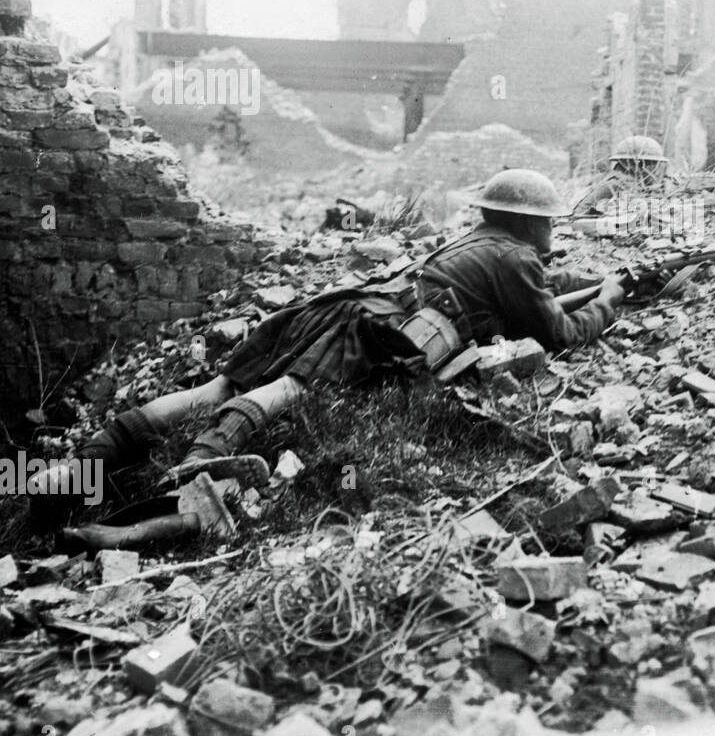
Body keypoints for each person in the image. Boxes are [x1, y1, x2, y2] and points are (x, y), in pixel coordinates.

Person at [30, 169, 626, 516]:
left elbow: (544, 287)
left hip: (346, 307)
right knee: (290, 389)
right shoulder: (516, 257)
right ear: (528, 224)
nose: (553, 230)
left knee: (219, 386)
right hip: (381, 330)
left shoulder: (480, 245)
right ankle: (197, 466)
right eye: (548, 220)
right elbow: (558, 332)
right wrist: (610, 301)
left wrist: (597, 279)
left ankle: (78, 471)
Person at [574, 134, 669, 214]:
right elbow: (579, 213)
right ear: (636, 165)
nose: (654, 168)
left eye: (654, 164)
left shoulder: (642, 186)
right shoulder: (614, 185)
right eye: (650, 164)